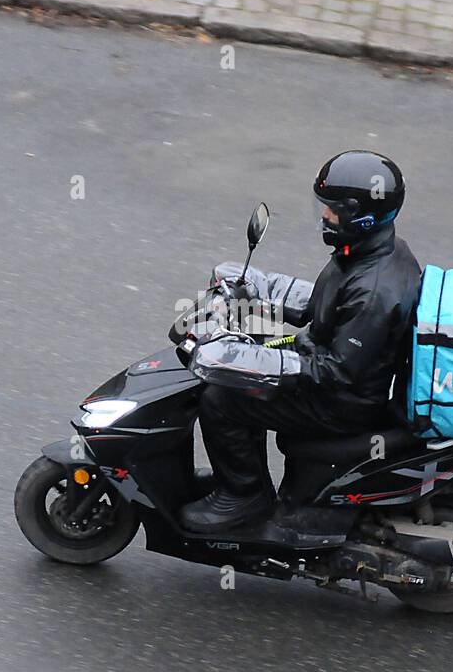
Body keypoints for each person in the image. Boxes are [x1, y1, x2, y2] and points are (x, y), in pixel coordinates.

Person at [179, 150, 423, 533]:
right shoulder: (372, 251)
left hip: (342, 403)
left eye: (333, 209)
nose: (324, 216)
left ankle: (244, 496)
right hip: (338, 368)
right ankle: (244, 479)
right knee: (243, 367)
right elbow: (323, 306)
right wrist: (255, 293)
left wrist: (251, 364)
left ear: (362, 214)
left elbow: (334, 372)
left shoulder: (373, 289)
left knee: (221, 398)